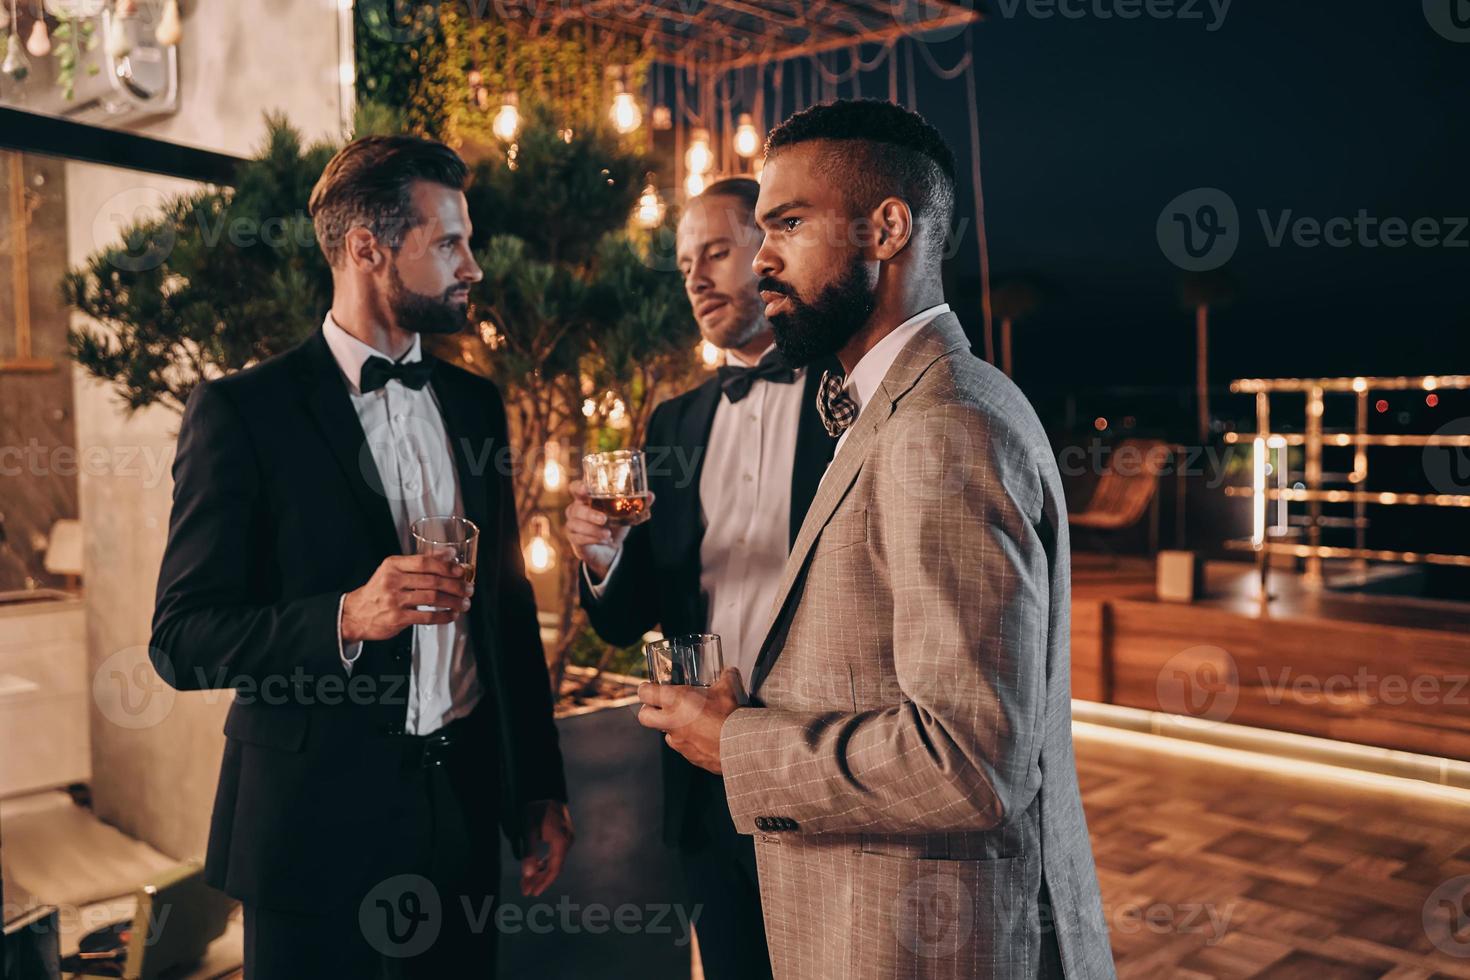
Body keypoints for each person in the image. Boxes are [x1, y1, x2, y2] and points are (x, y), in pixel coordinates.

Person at [637, 100, 1117, 979]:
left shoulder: (945, 426)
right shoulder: (909, 403)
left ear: (887, 229)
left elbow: (969, 760)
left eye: (786, 224)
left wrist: (735, 745)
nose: (762, 257)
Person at [150, 135, 572, 978]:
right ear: (367, 248)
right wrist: (348, 615)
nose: (473, 267)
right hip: (313, 829)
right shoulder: (242, 415)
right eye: (449, 243)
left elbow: (507, 606)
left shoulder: (476, 404)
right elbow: (181, 639)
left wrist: (537, 787)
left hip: (459, 811)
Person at [563, 178, 838, 980]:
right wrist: (603, 554)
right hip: (703, 775)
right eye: (685, 263)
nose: (696, 277)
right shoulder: (672, 424)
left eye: (715, 251)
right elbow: (628, 620)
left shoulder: (849, 397)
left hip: (821, 762)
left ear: (770, 248)